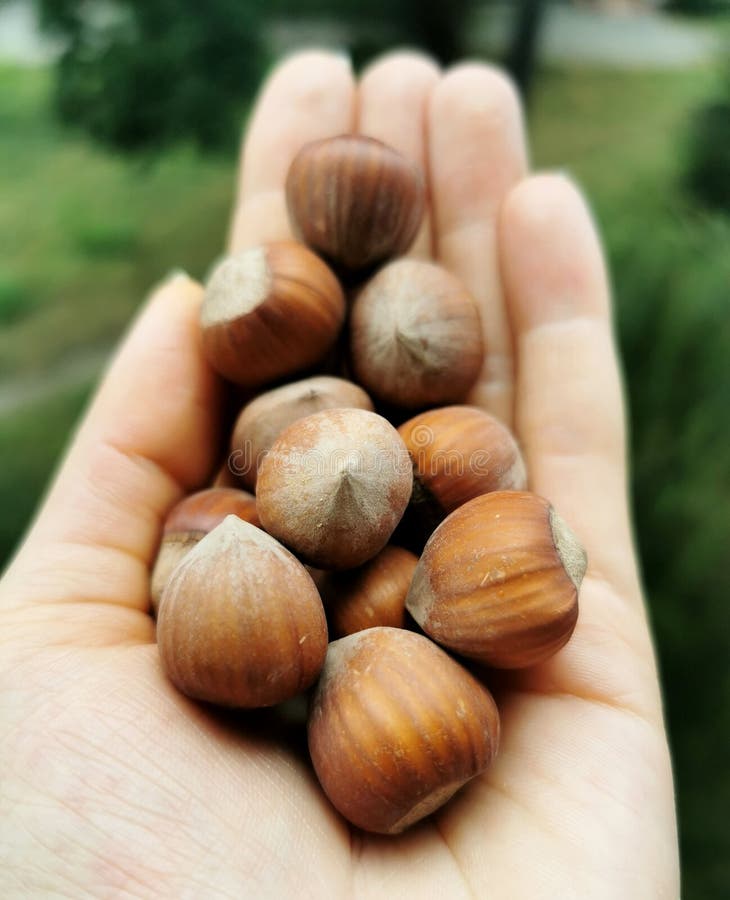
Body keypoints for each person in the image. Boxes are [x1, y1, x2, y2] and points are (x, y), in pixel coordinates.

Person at [0, 51, 679, 897]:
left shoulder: (381, 525)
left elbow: (370, 483)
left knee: (391, 395)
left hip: (372, 532)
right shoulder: (326, 524)